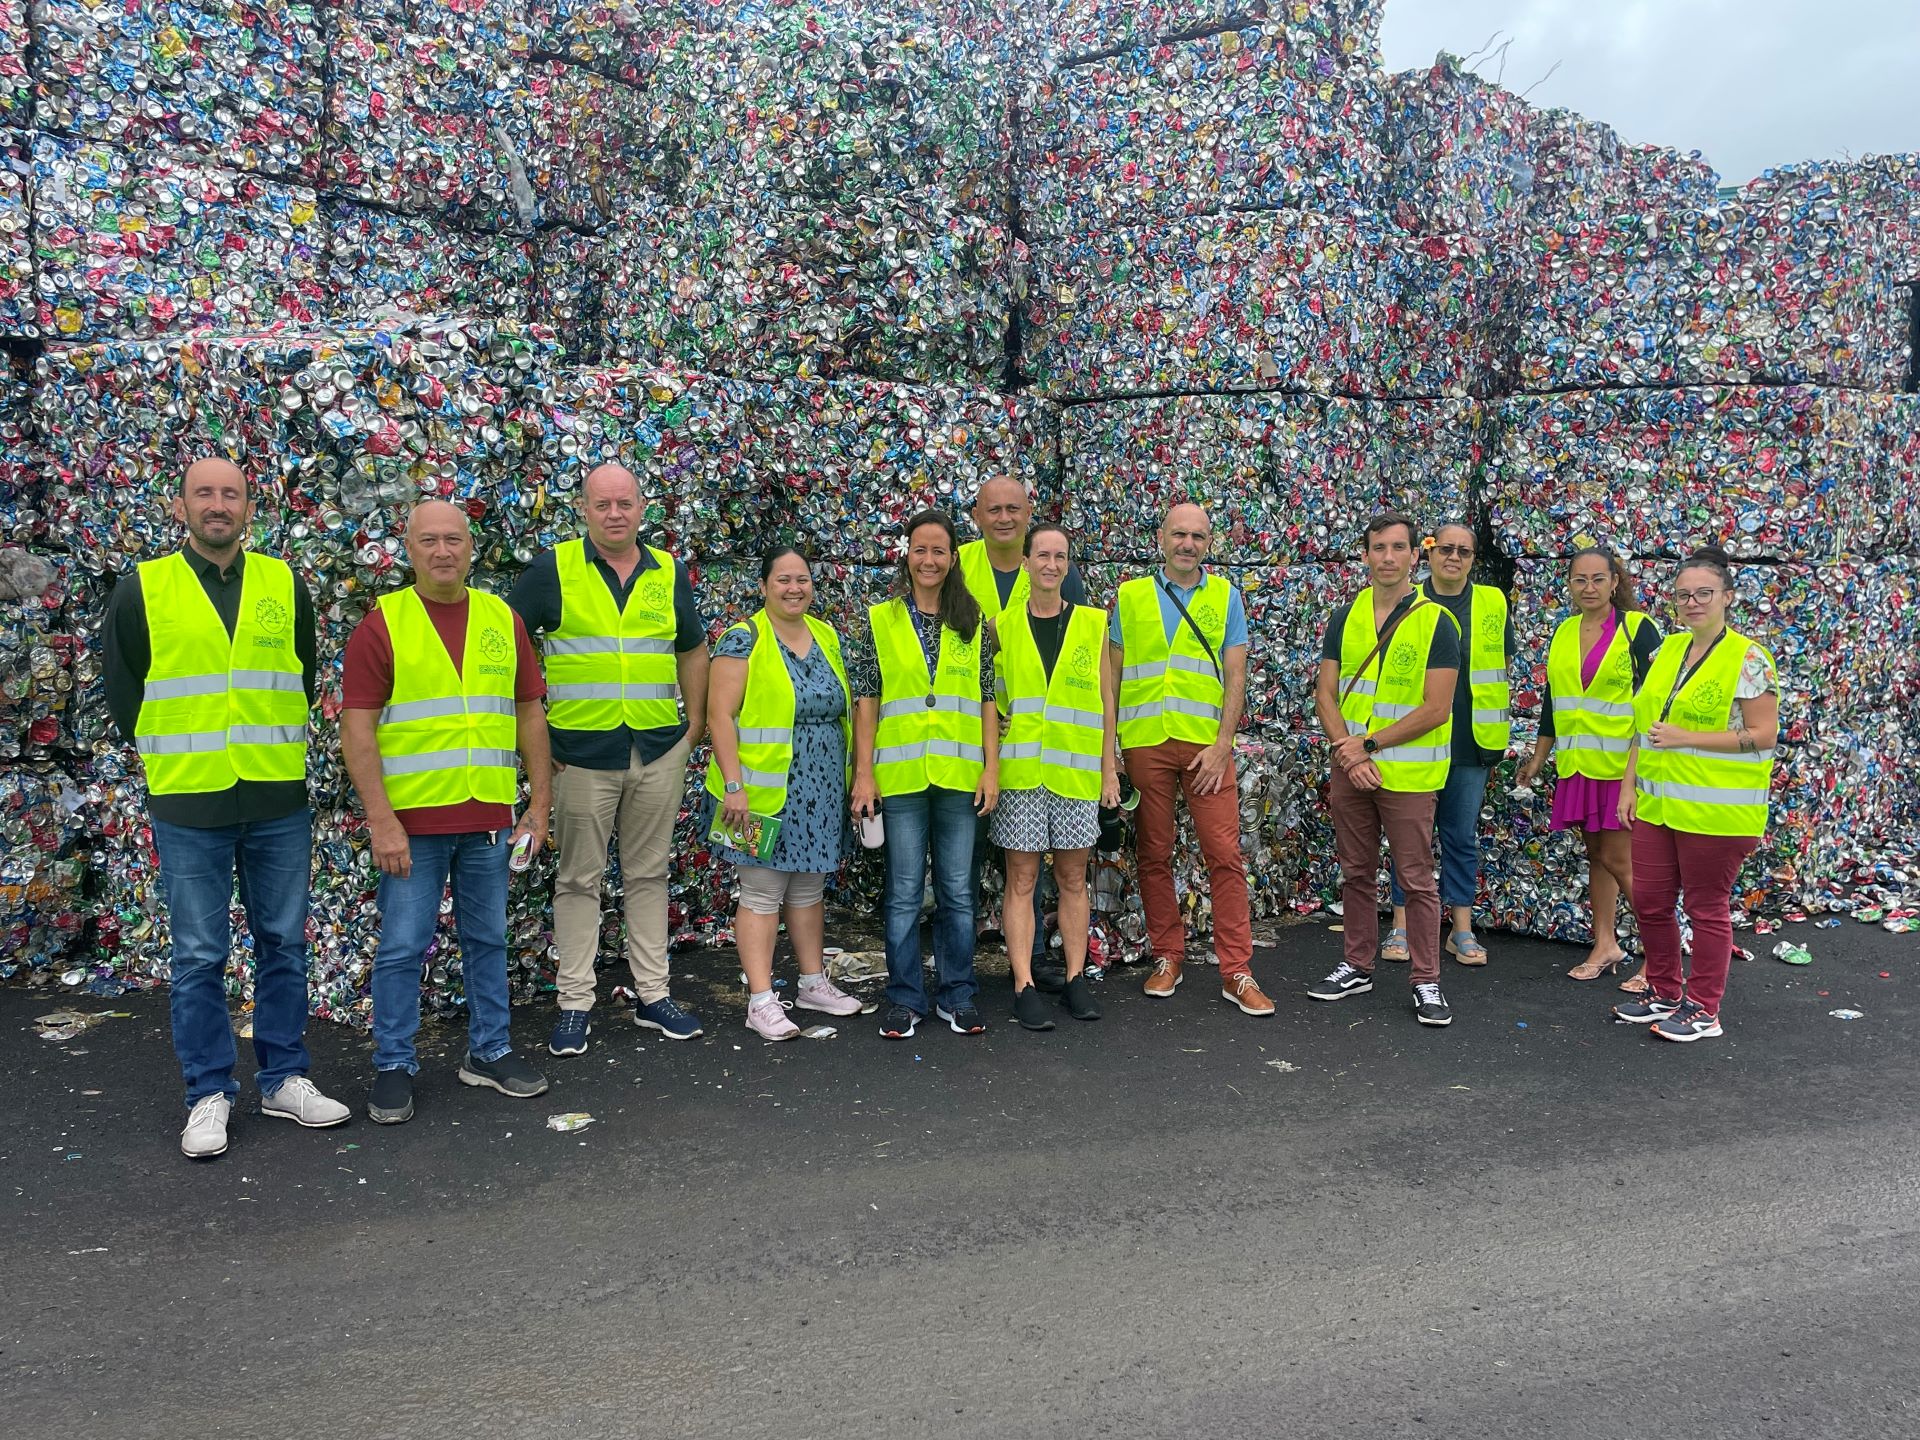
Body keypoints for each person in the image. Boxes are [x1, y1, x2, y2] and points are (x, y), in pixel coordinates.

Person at [103, 457, 347, 1160]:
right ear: (180, 507)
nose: (218, 504)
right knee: (199, 955)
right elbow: (124, 689)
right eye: (204, 493)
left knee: (284, 944)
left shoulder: (282, 582)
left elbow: (299, 674)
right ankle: (208, 1091)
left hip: (275, 796)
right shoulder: (144, 587)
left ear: (248, 507)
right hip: (189, 800)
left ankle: (284, 1078)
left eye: (230, 494)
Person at [342, 501, 552, 1123]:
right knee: (403, 947)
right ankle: (393, 1063)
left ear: (470, 548)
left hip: (487, 820)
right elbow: (357, 729)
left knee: (488, 940)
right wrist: (381, 820)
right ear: (408, 549)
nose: (442, 551)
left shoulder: (501, 619)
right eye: (429, 540)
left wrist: (538, 805)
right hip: (412, 827)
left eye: (453, 540)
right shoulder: (383, 624)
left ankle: (489, 1052)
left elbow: (529, 714)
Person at [508, 464, 710, 1055]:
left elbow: (692, 648)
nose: (614, 514)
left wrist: (694, 725)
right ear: (584, 509)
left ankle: (654, 995)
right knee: (578, 880)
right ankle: (575, 1003)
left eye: (624, 503)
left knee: (649, 874)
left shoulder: (668, 571)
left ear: (642, 507)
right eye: (602, 504)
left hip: (656, 750)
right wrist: (535, 742)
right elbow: (507, 651)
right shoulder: (553, 569)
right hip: (579, 756)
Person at [1110, 502, 1274, 1017]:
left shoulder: (1226, 596)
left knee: (1224, 856)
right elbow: (1111, 676)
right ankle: (1168, 956)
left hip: (1206, 748)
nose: (1187, 544)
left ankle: (1236, 970)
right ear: (1161, 537)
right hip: (1146, 742)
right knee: (1153, 854)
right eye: (1179, 534)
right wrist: (1110, 746)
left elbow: (1236, 675)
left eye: (1197, 537)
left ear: (1209, 543)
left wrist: (1224, 744)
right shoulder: (1130, 596)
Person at [1613, 548, 1779, 1042]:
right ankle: (1664, 991)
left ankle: (1704, 1009)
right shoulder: (1667, 650)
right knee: (1651, 901)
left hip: (1716, 810)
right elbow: (1646, 728)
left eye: (1704, 593)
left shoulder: (1748, 659)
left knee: (1706, 909)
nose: (1693, 602)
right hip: (1659, 805)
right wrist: (1628, 785)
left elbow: (1764, 735)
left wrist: (1689, 738)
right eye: (1684, 594)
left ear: (1727, 597)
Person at [704, 546, 866, 1041]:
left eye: (802, 580)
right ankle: (760, 1000)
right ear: (764, 586)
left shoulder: (827, 635)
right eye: (783, 580)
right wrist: (733, 786)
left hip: (821, 790)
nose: (795, 589)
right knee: (761, 893)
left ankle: (813, 982)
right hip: (757, 793)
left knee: (809, 889)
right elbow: (719, 716)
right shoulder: (742, 639)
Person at [1308, 512, 1463, 1027]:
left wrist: (1367, 745)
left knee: (1415, 879)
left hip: (1407, 777)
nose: (1389, 557)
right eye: (1379, 548)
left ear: (1416, 556)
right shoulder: (1344, 616)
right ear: (1366, 555)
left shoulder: (1437, 622)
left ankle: (1426, 980)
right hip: (1351, 769)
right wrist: (1348, 752)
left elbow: (1436, 708)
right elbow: (1326, 694)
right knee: (1355, 872)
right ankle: (1357, 965)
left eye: (1399, 547)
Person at [849, 510, 999, 1039]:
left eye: (939, 551)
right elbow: (867, 700)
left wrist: (991, 769)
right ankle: (905, 998)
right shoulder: (881, 619)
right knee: (904, 893)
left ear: (953, 558)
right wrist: (863, 774)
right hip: (902, 778)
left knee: (958, 892)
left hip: (959, 777)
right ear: (907, 555)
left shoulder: (972, 620)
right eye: (920, 549)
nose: (929, 560)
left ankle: (958, 994)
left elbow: (986, 699)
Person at [958, 477, 1090, 991]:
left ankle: (1031, 965)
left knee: (1027, 870)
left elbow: (1075, 660)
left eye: (1014, 508)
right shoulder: (958, 564)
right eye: (994, 509)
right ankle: (960, 971)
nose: (1004, 518)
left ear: (1028, 514)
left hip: (1034, 752)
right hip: (962, 734)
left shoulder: (1059, 575)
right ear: (977, 515)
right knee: (965, 862)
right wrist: (990, 710)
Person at [988, 524, 1119, 1031]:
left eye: (1060, 556)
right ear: (1025, 562)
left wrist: (1109, 770)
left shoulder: (1091, 623)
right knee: (1021, 880)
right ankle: (1023, 983)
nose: (1051, 564)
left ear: (1068, 565)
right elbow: (988, 695)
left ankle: (1075, 977)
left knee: (1071, 880)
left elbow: (1106, 701)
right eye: (1042, 555)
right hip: (1021, 775)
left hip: (1075, 773)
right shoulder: (1001, 626)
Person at [1515, 548, 1661, 984]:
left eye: (1599, 579)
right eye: (1580, 579)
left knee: (1621, 860)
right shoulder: (1564, 631)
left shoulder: (1638, 629)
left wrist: (1637, 773)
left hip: (1622, 768)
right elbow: (1553, 702)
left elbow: (1656, 702)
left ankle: (1661, 957)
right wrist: (1538, 759)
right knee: (1597, 857)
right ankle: (1605, 944)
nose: (1589, 588)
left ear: (1615, 582)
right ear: (1570, 585)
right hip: (1578, 765)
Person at [1380, 523, 1513, 967]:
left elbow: (1502, 664)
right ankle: (1402, 926)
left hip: (1471, 742)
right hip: (1415, 741)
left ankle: (1461, 929)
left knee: (1460, 835)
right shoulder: (1407, 601)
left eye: (1464, 551)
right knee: (1409, 839)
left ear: (1473, 558)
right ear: (1429, 553)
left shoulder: (1493, 602)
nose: (1454, 557)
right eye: (1445, 549)